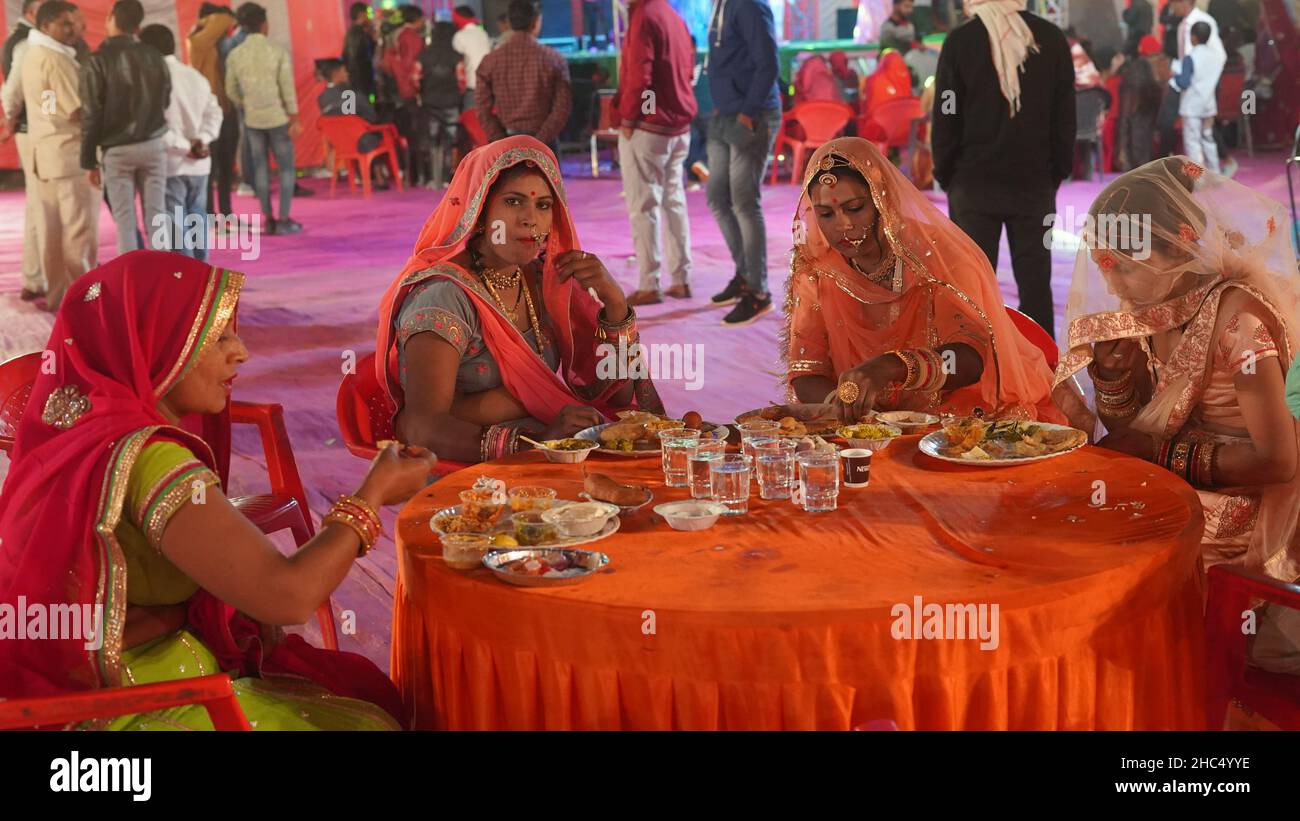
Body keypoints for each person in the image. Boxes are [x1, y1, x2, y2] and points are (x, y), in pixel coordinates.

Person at [0, 251, 438, 729]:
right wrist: (371, 494)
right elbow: (287, 596)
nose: (241, 352)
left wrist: (178, 614)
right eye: (218, 336)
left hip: (110, 679)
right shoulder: (149, 456)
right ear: (153, 343)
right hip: (139, 702)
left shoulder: (81, 434)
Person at [1056, 156, 1300, 583]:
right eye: (1104, 269)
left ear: (1177, 250)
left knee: (1097, 560)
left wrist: (1160, 455)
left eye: (1126, 269)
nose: (1114, 288)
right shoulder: (1151, 309)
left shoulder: (1238, 321)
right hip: (1175, 486)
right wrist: (1113, 380)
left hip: (1242, 508)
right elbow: (1133, 430)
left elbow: (1278, 461)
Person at [374, 136, 665, 464]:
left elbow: (617, 394)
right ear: (479, 211)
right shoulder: (444, 298)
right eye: (513, 202)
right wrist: (536, 441)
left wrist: (614, 304)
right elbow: (421, 427)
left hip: (551, 450)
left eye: (543, 205)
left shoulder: (542, 281)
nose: (531, 219)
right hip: (473, 474)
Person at [783, 138, 1068, 424]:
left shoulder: (939, 259)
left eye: (855, 208)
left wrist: (893, 366)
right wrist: (849, 409)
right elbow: (807, 370)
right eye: (826, 214)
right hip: (869, 426)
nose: (842, 225)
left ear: (882, 200)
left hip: (959, 414)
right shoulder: (816, 270)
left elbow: (969, 359)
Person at [932, 0, 1074, 339]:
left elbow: (947, 108)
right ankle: (1042, 369)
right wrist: (1056, 170)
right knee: (1036, 284)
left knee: (972, 287)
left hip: (973, 185)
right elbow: (1064, 112)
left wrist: (946, 170)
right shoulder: (1050, 39)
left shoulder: (961, 42)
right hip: (1034, 184)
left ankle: (974, 373)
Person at [704, 0, 782, 326]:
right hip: (726, 112)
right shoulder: (720, 4)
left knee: (744, 202)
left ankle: (759, 292)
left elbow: (768, 63)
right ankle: (746, 275)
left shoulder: (749, 5)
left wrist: (748, 113)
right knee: (717, 197)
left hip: (752, 114)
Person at [616, 0, 698, 306]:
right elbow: (686, 69)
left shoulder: (644, 16)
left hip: (651, 127)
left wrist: (630, 118)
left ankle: (650, 283)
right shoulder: (673, 16)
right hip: (678, 126)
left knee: (644, 205)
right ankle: (681, 279)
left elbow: (641, 76)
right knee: (673, 201)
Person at [18, 0, 96, 312]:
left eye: (78, 24)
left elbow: (49, 105)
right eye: (67, 25)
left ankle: (59, 297)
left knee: (52, 233)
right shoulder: (56, 59)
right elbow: (77, 110)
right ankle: (85, 302)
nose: (75, 31)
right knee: (78, 233)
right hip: (68, 155)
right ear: (45, 25)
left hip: (45, 154)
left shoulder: (32, 54)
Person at [80, 0, 171, 255]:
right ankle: (163, 282)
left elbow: (91, 114)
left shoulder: (96, 60)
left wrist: (88, 160)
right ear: (138, 26)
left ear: (110, 17)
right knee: (157, 217)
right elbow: (165, 99)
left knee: (125, 223)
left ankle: (132, 285)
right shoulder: (154, 55)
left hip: (117, 150)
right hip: (154, 145)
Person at [140, 24, 221, 262]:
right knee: (197, 221)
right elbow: (214, 113)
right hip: (200, 163)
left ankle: (187, 286)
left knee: (176, 229)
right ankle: (203, 279)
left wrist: (186, 146)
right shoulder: (194, 76)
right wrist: (203, 140)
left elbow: (156, 125)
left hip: (170, 163)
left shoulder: (150, 81)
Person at [225, 2, 302, 235]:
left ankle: (268, 218)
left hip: (253, 119)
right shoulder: (276, 51)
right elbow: (287, 87)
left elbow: (231, 89)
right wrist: (293, 114)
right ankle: (284, 218)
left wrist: (245, 103)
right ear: (263, 24)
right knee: (286, 168)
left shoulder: (236, 54)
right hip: (277, 117)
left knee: (260, 168)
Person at [475, 0, 572, 149]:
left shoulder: (490, 61)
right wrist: (539, 141)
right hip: (545, 144)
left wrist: (502, 142)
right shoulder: (553, 59)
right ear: (536, 22)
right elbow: (562, 107)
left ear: (509, 22)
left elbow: (482, 110)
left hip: (506, 142)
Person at [1, 0, 46, 302]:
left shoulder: (22, 38)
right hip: (35, 131)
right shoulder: (26, 41)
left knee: (39, 204)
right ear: (30, 12)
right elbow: (13, 93)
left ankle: (36, 274)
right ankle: (35, 275)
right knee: (40, 206)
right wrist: (10, 119)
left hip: (32, 130)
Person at [188, 3, 238, 220]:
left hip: (227, 110)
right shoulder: (196, 42)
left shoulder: (221, 45)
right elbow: (226, 19)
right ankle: (208, 213)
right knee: (210, 166)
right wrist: (222, 17)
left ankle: (226, 212)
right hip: (207, 114)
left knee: (227, 165)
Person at [1172, 21, 1226, 173]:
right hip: (1208, 104)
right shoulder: (1215, 57)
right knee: (1208, 139)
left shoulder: (1191, 57)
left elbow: (1183, 83)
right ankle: (1216, 173)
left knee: (1192, 143)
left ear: (1193, 37)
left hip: (1192, 105)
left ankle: (1196, 177)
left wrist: (1174, 76)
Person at [418, 22, 462, 189]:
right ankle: (447, 177)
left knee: (433, 140)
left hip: (430, 104)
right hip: (452, 102)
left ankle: (433, 178)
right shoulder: (456, 56)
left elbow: (415, 79)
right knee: (450, 141)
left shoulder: (423, 55)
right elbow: (462, 80)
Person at [1116, 36, 1164, 170]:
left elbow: (1125, 116)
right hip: (1149, 131)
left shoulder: (1133, 72)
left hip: (1134, 133)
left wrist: (1121, 148)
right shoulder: (1159, 70)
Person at [451, 5, 491, 110]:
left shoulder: (459, 36)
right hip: (487, 85)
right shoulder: (483, 33)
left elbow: (458, 63)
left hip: (471, 87)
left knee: (470, 120)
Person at [343, 2, 377, 103]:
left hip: (362, 84)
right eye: (368, 14)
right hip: (359, 85)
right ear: (361, 14)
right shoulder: (355, 33)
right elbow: (353, 60)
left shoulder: (360, 32)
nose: (370, 18)